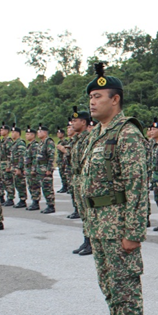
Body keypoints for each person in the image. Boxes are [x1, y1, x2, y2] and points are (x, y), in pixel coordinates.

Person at [81, 62, 148, 315]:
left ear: (115, 99)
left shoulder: (127, 133)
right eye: (90, 97)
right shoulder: (97, 134)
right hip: (99, 225)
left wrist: (133, 231)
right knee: (109, 287)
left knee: (126, 289)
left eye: (98, 96)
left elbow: (137, 186)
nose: (92, 102)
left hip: (119, 225)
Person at [68, 107, 94, 255]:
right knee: (83, 212)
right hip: (77, 178)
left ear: (84, 122)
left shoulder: (88, 139)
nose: (72, 123)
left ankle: (93, 242)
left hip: (85, 178)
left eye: (75, 120)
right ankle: (87, 239)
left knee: (89, 212)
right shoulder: (77, 140)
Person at [35, 124, 56, 214]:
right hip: (40, 168)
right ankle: (48, 204)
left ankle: (51, 205)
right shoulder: (41, 143)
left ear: (45, 133)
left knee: (48, 187)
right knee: (44, 187)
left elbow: (51, 156)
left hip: (46, 168)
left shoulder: (49, 142)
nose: (38, 133)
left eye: (40, 131)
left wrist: (49, 169)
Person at [8, 125, 28, 208]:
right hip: (14, 166)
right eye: (12, 132)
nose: (12, 134)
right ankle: (21, 199)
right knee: (17, 183)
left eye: (14, 132)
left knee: (20, 183)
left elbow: (21, 156)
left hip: (18, 167)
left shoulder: (20, 143)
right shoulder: (14, 143)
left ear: (18, 133)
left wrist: (19, 168)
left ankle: (23, 200)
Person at [24, 126, 41, 210]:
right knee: (30, 185)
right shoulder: (29, 145)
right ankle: (34, 200)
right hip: (28, 169)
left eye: (28, 134)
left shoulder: (34, 145)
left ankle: (36, 202)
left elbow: (35, 158)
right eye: (26, 134)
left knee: (34, 185)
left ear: (33, 135)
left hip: (32, 170)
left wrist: (33, 169)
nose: (26, 136)